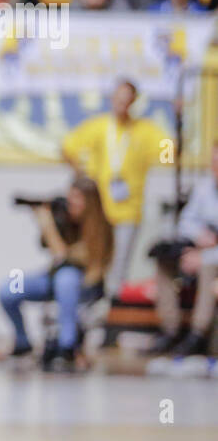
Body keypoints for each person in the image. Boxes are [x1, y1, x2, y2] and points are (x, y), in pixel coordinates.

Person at [61, 78, 169, 299]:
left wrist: (178, 121)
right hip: (99, 212)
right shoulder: (98, 126)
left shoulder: (144, 130)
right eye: (118, 97)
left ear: (134, 102)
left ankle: (110, 311)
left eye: (127, 99)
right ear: (112, 98)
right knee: (94, 262)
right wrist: (81, 176)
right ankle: (90, 306)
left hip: (128, 210)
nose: (122, 103)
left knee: (118, 268)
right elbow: (67, 147)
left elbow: (168, 150)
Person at [0, 177, 113, 371]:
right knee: (9, 288)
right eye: (70, 196)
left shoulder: (101, 228)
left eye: (77, 198)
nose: (71, 202)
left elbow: (64, 257)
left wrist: (47, 224)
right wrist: (51, 221)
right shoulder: (63, 217)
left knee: (67, 278)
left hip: (85, 284)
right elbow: (48, 250)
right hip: (53, 280)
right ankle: (22, 341)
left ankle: (67, 345)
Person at [151, 142, 218, 357]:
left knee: (209, 267)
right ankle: (170, 329)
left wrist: (205, 255)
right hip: (199, 248)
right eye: (213, 162)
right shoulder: (204, 187)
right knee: (165, 262)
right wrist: (199, 236)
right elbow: (185, 222)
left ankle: (198, 333)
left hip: (212, 259)